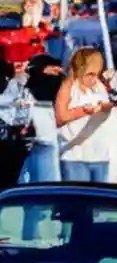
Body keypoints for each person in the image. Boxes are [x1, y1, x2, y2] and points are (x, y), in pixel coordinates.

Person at [54, 47, 117, 183]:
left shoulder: (100, 86)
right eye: (90, 74)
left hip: (100, 155)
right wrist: (83, 111)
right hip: (74, 157)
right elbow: (60, 118)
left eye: (97, 74)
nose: (94, 78)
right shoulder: (68, 87)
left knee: (100, 202)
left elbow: (110, 103)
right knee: (76, 201)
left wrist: (106, 105)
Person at [17, 55, 62, 184]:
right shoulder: (26, 89)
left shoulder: (58, 88)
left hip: (51, 142)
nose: (56, 74)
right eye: (53, 71)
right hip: (34, 143)